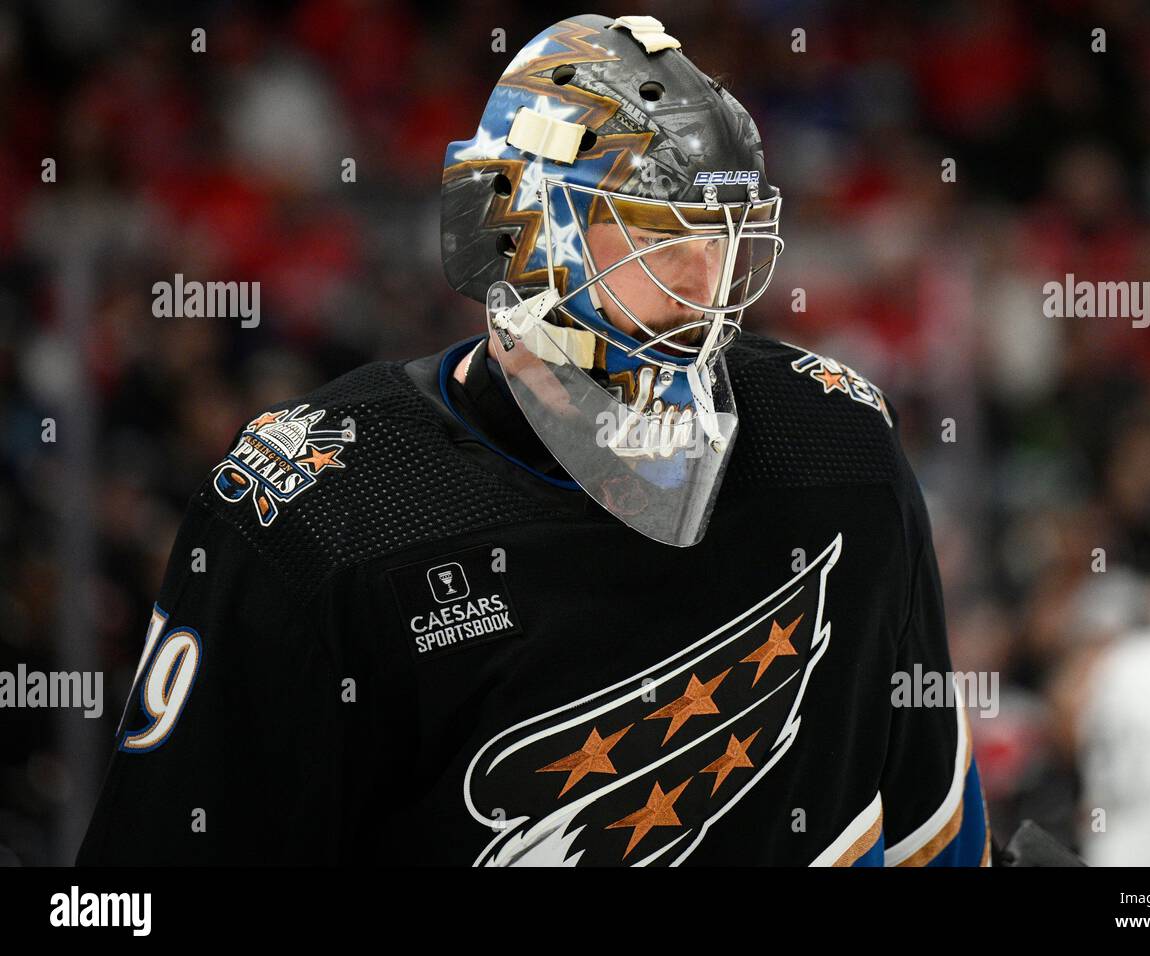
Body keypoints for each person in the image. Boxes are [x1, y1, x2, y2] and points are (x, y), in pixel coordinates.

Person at [78, 13, 989, 866]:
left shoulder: (840, 449)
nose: (709, 286)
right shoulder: (322, 505)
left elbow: (928, 831)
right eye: (662, 236)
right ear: (520, 229)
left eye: (725, 235)